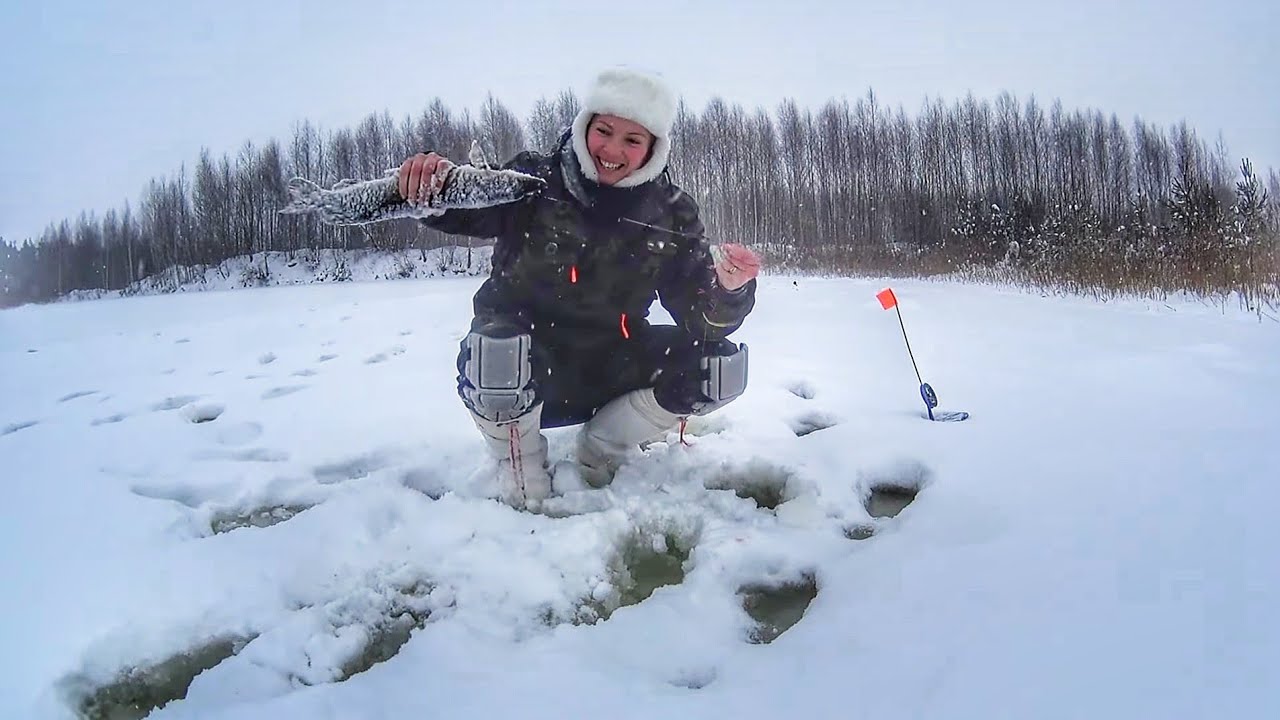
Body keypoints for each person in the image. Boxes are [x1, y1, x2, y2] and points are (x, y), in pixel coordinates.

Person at [397, 67, 761, 509]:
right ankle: (522, 467)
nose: (613, 150)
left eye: (632, 140)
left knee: (720, 369)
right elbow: (463, 213)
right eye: (604, 131)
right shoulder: (532, 180)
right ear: (585, 125)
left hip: (613, 364)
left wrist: (728, 288)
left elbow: (702, 318)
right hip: (526, 365)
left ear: (653, 148)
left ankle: (602, 449)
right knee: (497, 353)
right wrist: (431, 187)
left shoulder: (672, 211)